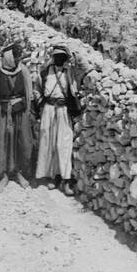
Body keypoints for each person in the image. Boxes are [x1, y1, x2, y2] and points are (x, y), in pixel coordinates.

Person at [0, 42, 35, 190]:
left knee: (22, 142)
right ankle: (3, 175)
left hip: (20, 114)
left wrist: (30, 113)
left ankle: (17, 173)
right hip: (3, 115)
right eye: (15, 58)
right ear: (9, 58)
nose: (17, 61)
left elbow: (29, 93)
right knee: (3, 143)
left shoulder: (23, 71)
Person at [35, 43, 81, 194]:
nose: (59, 59)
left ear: (65, 58)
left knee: (64, 143)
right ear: (53, 57)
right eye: (56, 56)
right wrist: (40, 102)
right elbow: (37, 89)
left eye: (62, 57)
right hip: (49, 110)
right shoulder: (45, 71)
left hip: (63, 110)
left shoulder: (70, 72)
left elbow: (82, 70)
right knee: (49, 143)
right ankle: (52, 177)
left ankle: (66, 180)